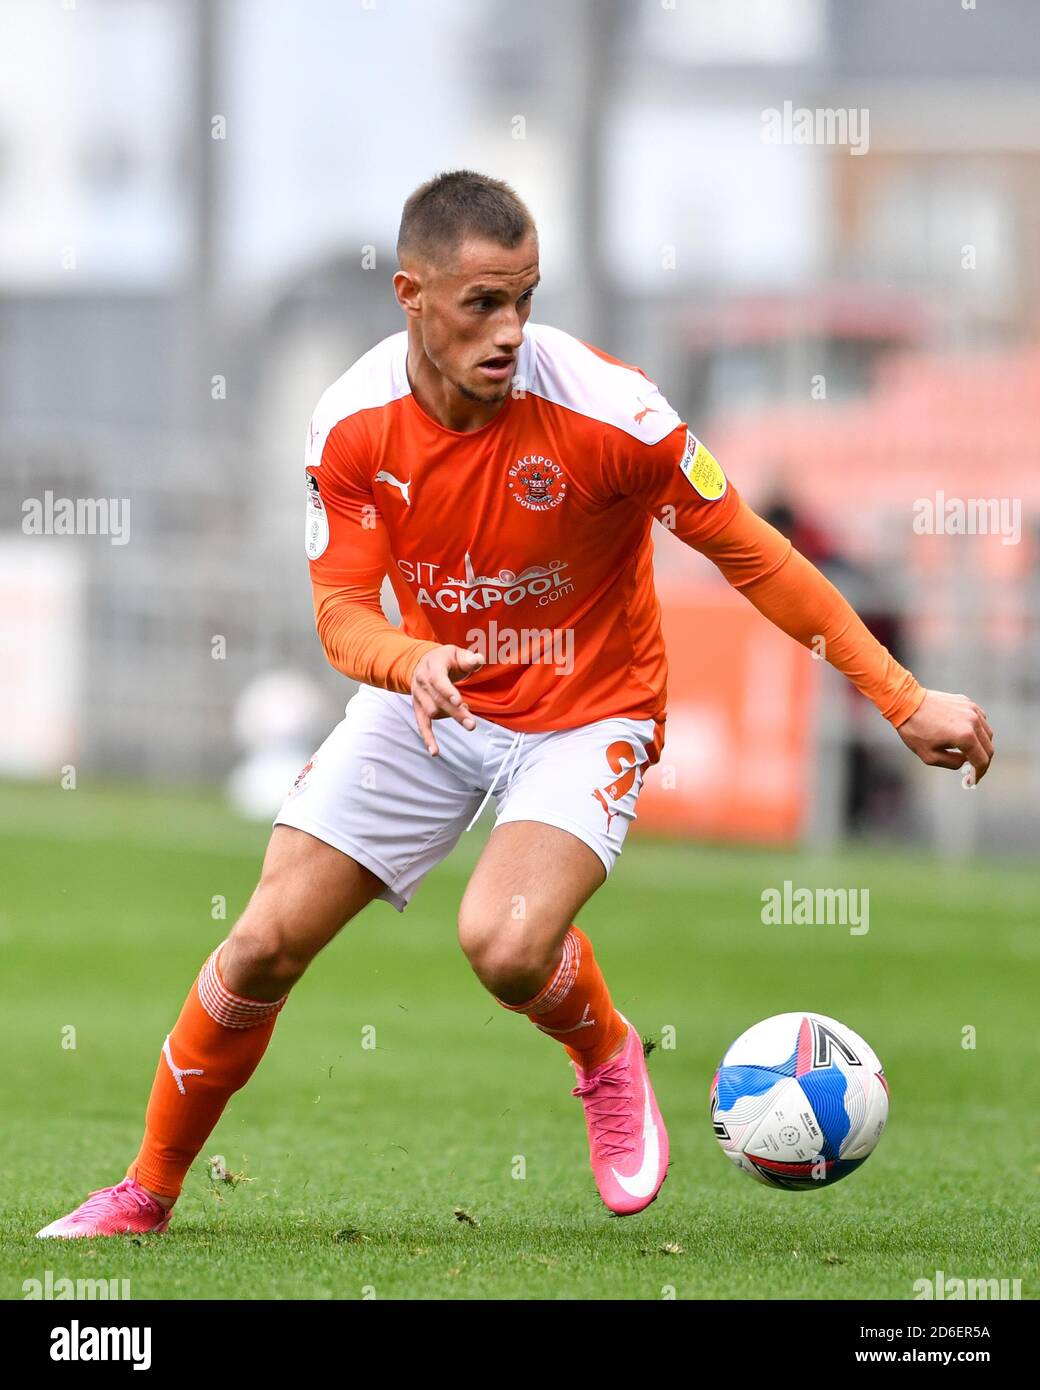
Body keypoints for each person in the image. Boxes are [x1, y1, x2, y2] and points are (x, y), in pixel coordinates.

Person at [38, 171, 994, 1237]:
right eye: (480, 303)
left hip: (589, 711)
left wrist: (899, 696)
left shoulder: (609, 410)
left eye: (524, 299)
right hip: (431, 696)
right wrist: (409, 660)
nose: (509, 330)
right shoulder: (352, 423)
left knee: (502, 942)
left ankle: (602, 1052)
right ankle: (145, 1193)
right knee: (260, 942)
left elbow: (753, 554)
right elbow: (342, 615)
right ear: (410, 294)